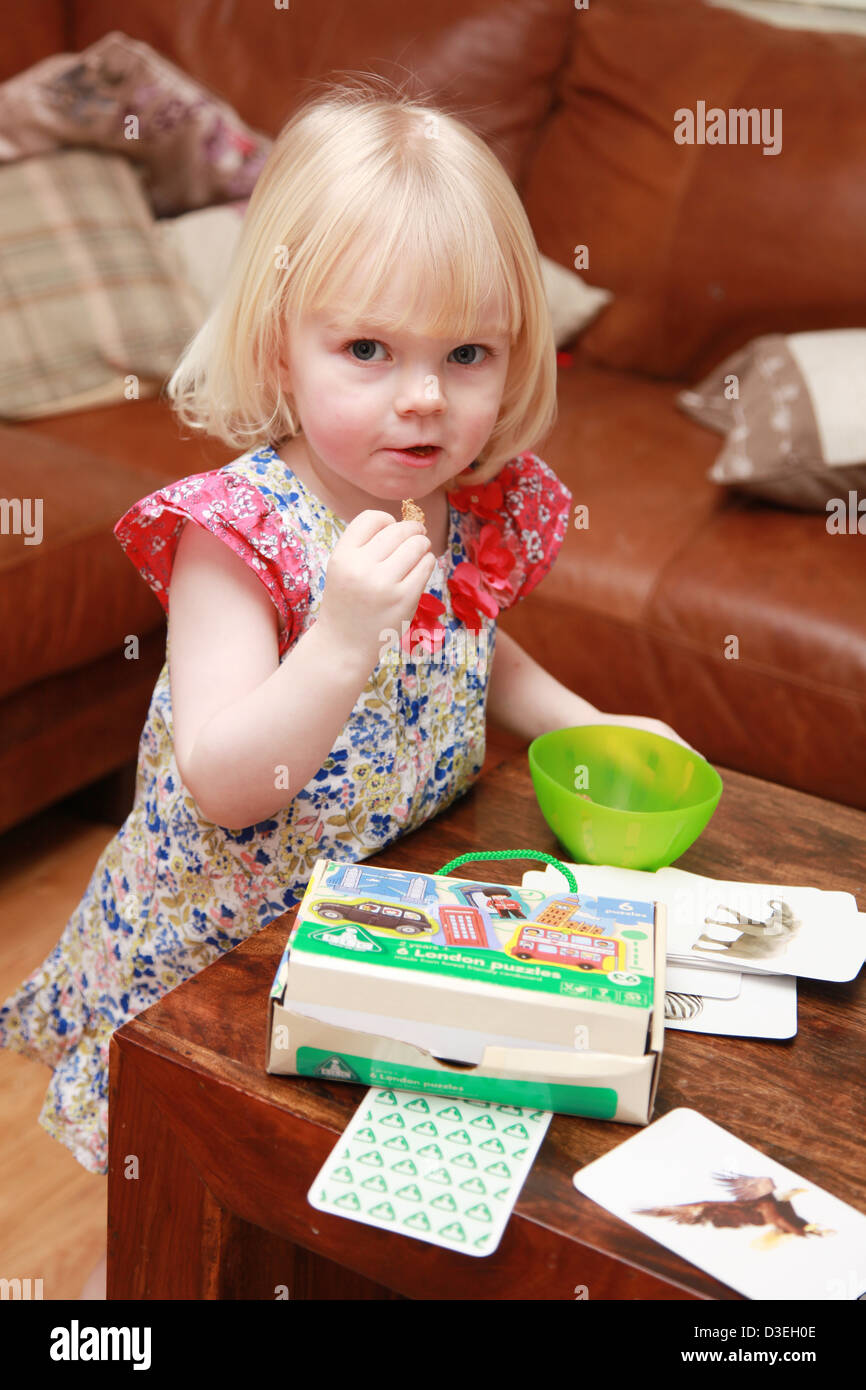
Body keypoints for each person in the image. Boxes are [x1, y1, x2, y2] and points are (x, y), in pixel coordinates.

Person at [0, 78, 694, 1298]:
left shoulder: (455, 503)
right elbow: (223, 779)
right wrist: (338, 636)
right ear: (281, 342)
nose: (422, 397)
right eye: (367, 349)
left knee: (332, 1209)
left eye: (464, 353)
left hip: (377, 914)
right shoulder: (238, 534)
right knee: (192, 1201)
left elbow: (473, 644)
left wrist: (583, 722)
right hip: (225, 940)